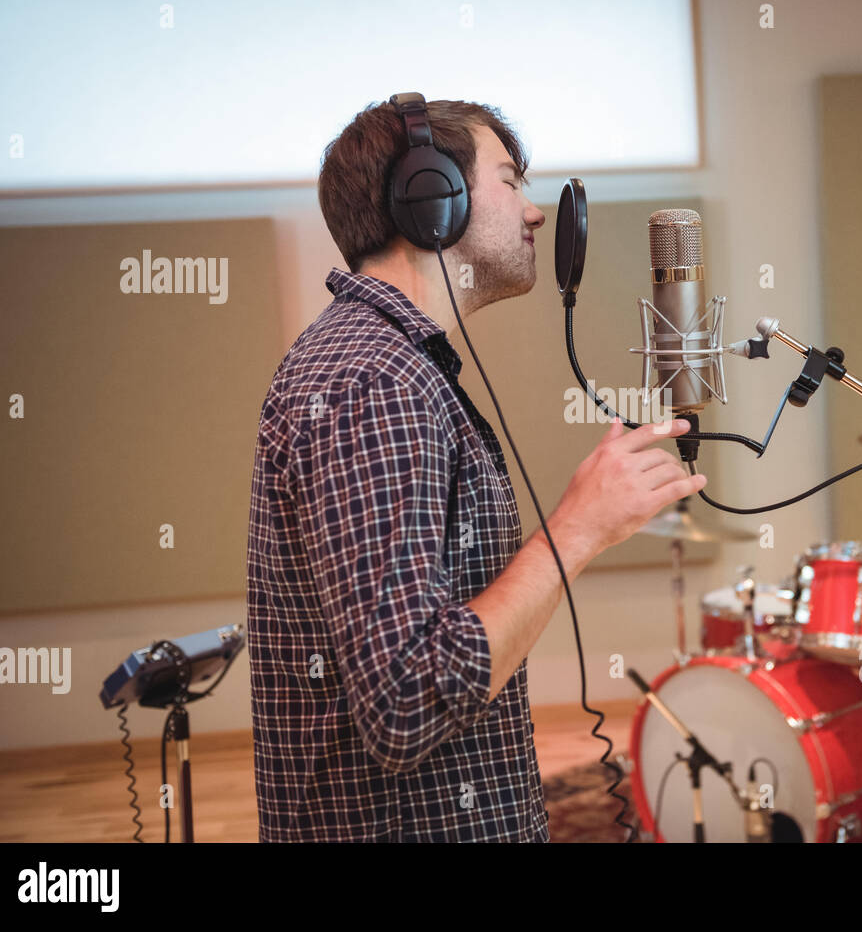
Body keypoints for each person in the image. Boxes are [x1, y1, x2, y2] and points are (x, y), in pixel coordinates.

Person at [246, 96, 706, 842]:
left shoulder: (389, 366)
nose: (535, 213)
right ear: (431, 200)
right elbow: (407, 701)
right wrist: (577, 529)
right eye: (509, 181)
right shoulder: (375, 384)